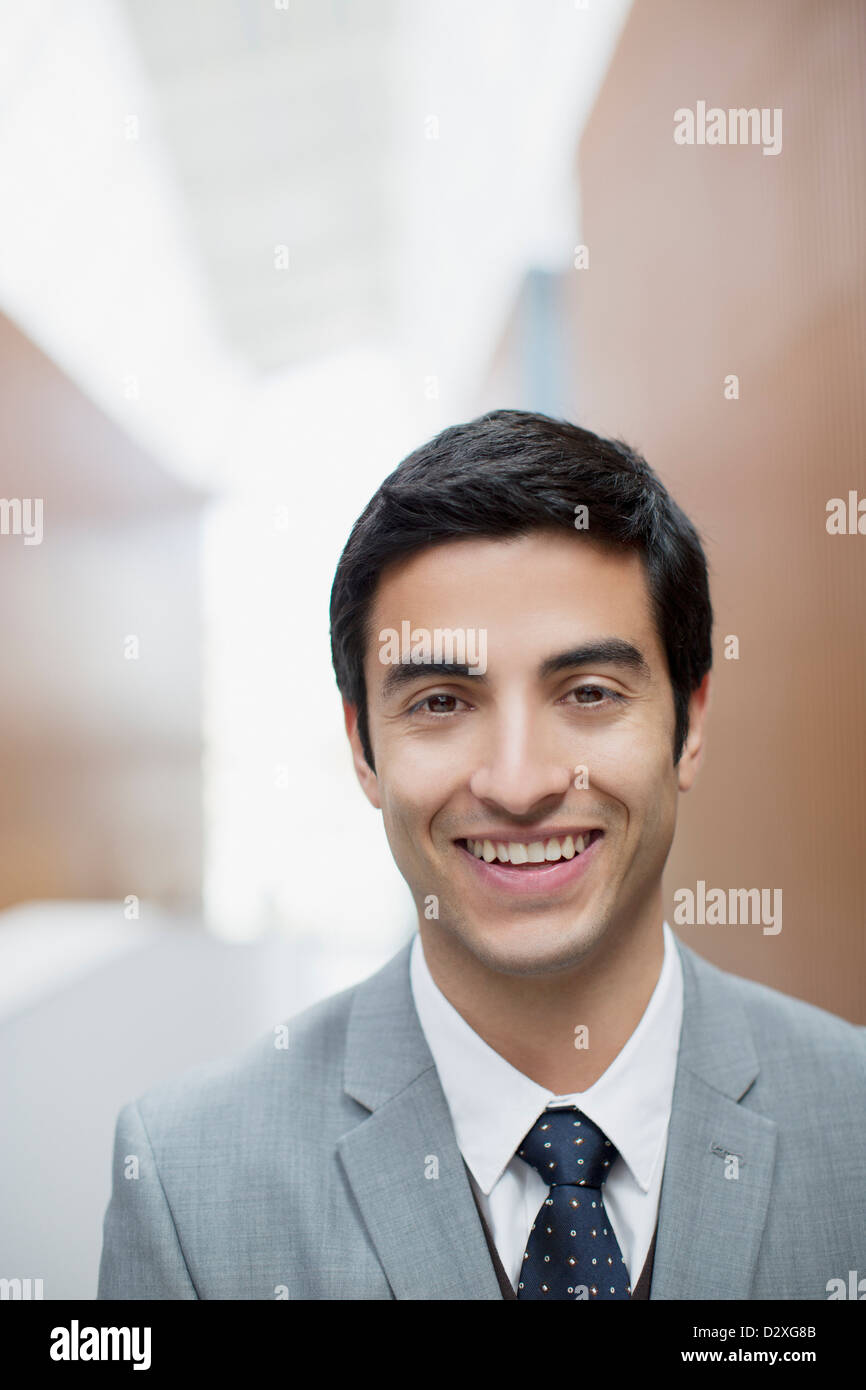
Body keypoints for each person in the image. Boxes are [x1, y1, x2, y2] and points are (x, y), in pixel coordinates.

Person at [98, 409, 865, 1300]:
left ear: (689, 725)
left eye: (587, 692)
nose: (519, 782)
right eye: (441, 703)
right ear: (363, 747)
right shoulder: (188, 1187)